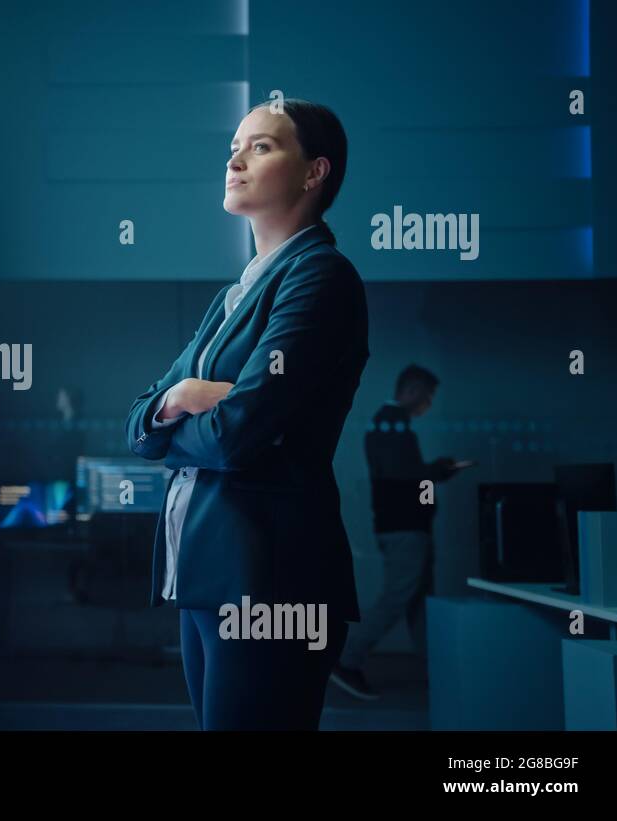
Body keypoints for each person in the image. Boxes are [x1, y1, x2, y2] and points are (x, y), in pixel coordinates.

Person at [125, 98, 368, 730]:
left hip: (269, 580)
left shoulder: (319, 276)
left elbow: (235, 437)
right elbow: (138, 425)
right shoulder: (236, 293)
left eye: (261, 146)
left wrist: (176, 419)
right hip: (207, 577)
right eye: (234, 145)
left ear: (314, 172)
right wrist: (175, 401)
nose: (235, 159)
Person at [330, 365, 470, 700]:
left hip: (407, 526)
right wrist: (437, 470)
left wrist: (432, 473)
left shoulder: (392, 423)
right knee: (399, 597)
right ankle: (346, 659)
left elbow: (404, 475)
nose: (429, 403)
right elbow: (404, 476)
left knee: (419, 602)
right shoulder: (390, 423)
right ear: (411, 389)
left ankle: (436, 670)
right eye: (428, 395)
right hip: (404, 527)